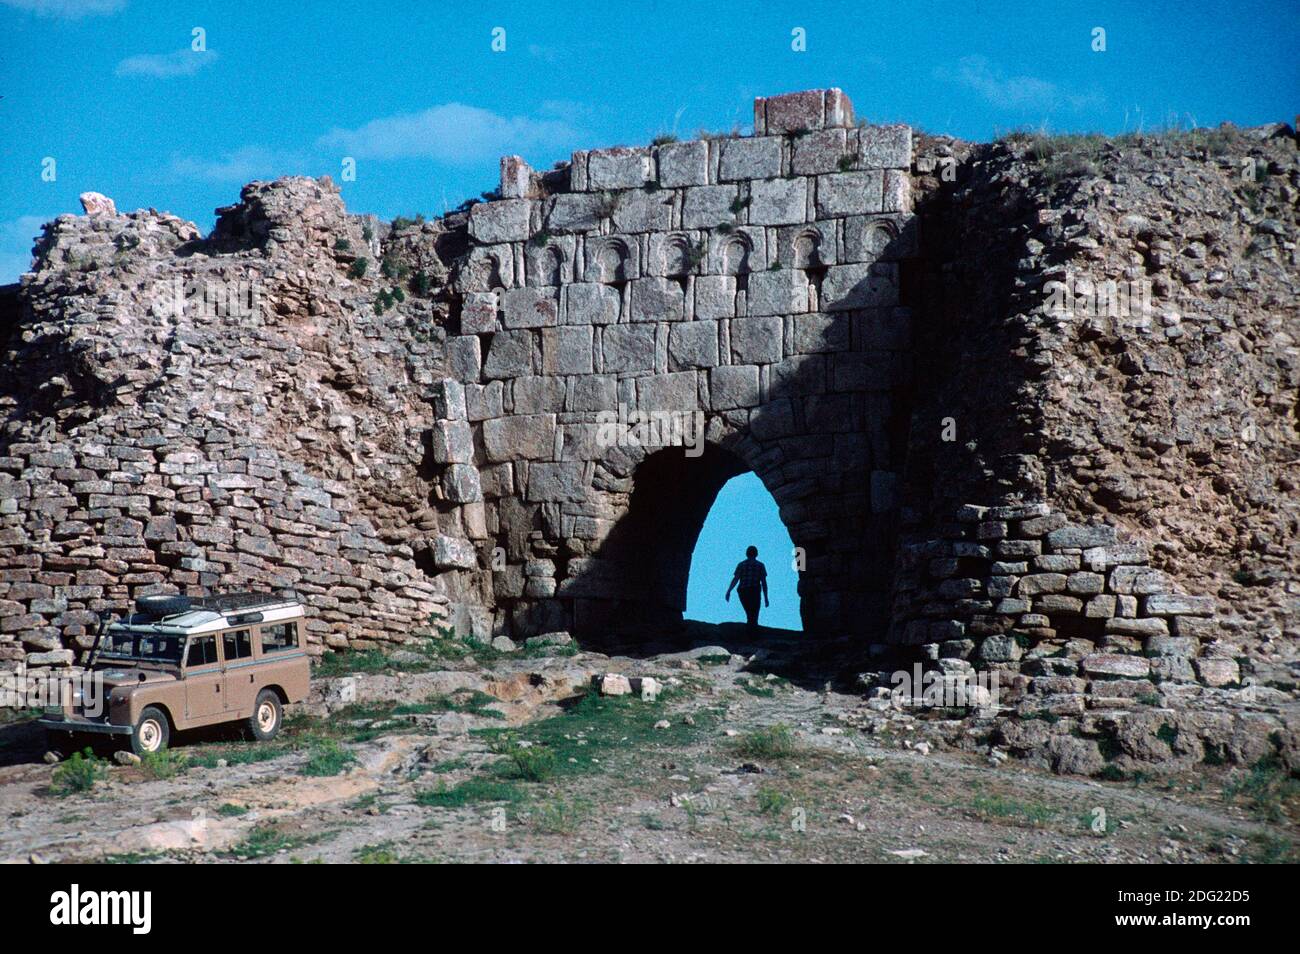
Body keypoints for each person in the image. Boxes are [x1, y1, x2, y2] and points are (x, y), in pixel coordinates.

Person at [725, 545, 768, 631]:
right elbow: (763, 582)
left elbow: (736, 578)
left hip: (743, 590)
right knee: (754, 612)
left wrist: (729, 590)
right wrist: (766, 597)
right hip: (754, 590)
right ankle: (753, 631)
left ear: (746, 554)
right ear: (756, 554)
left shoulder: (741, 565)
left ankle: (750, 629)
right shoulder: (760, 565)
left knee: (749, 611)